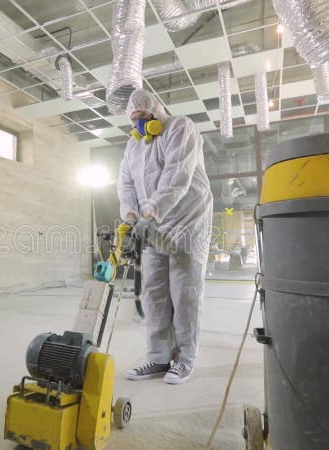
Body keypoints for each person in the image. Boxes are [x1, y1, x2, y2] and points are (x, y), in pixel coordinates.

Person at [118, 89, 213, 385]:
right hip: (152, 226)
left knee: (184, 293)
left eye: (143, 117)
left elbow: (177, 176)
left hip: (188, 222)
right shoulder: (133, 147)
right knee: (154, 292)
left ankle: (185, 360)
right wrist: (132, 217)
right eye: (133, 120)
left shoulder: (180, 128)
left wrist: (150, 212)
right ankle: (158, 358)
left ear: (156, 113)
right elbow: (126, 185)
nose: (139, 125)